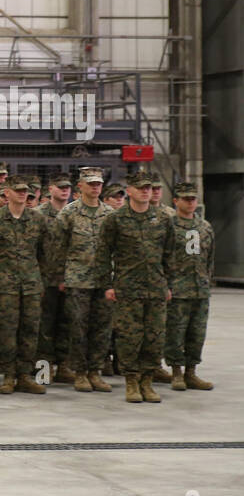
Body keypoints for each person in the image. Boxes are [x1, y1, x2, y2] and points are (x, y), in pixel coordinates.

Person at [96, 171, 175, 403]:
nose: (145, 191)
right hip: (127, 288)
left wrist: (168, 284)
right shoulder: (115, 219)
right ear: (129, 190)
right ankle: (131, 381)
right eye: (140, 187)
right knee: (129, 337)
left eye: (149, 188)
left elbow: (170, 254)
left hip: (156, 288)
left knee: (155, 336)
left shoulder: (163, 218)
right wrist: (108, 285)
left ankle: (147, 381)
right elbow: (103, 254)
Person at [0, 175, 50, 395]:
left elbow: (45, 253)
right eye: (18, 190)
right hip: (5, 284)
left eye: (26, 192)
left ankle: (24, 375)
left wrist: (41, 281)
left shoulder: (38, 220)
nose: (23, 194)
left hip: (31, 284)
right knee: (7, 331)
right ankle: (9, 376)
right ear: (7, 193)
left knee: (30, 330)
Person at [53, 167, 114, 392]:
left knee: (102, 327)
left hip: (103, 280)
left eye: (98, 183)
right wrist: (60, 276)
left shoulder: (109, 214)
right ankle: (79, 372)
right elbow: (57, 248)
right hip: (77, 279)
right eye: (91, 184)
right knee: (78, 327)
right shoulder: (68, 214)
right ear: (80, 186)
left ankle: (95, 372)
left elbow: (115, 248)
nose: (95, 187)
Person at [165, 181, 215, 391]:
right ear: (176, 201)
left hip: (199, 289)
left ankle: (191, 372)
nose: (190, 202)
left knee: (197, 332)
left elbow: (210, 258)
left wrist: (206, 282)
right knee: (175, 332)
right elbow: (162, 257)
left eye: (193, 199)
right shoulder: (168, 226)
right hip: (177, 290)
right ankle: (176, 372)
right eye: (186, 199)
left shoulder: (205, 227)